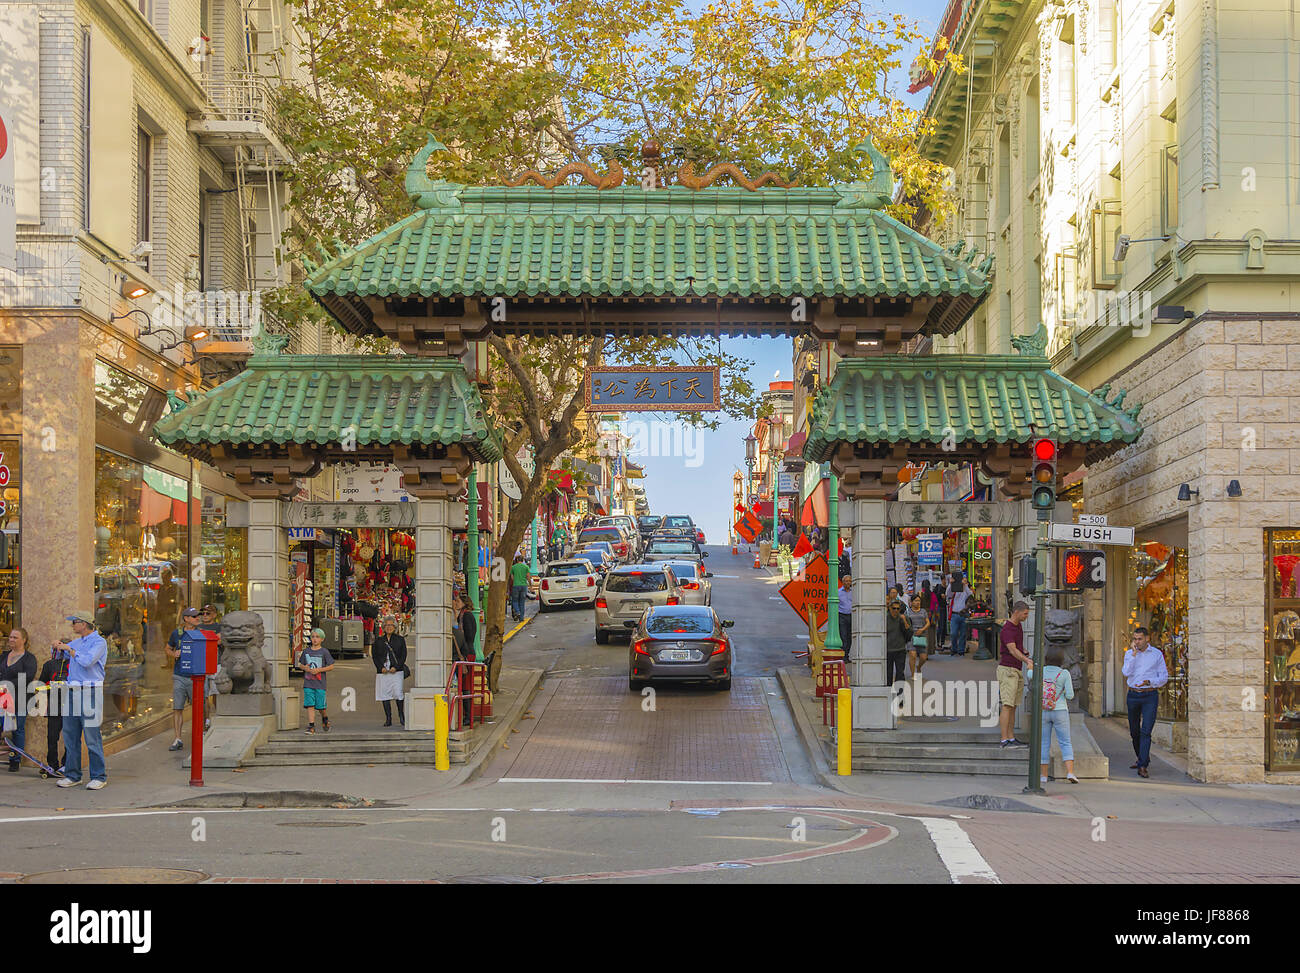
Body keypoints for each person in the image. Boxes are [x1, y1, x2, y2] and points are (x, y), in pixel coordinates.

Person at [55, 611, 108, 789]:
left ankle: (99, 776)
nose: (72, 626)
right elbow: (65, 656)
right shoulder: (76, 643)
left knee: (92, 736)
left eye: (75, 622)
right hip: (73, 690)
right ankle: (73, 774)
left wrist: (68, 649)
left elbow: (87, 661)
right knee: (70, 735)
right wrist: (59, 647)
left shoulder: (99, 642)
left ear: (84, 624)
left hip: (90, 691)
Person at [1123, 626, 1168, 778]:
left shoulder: (1156, 654)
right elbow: (1126, 672)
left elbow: (1163, 677)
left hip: (1149, 695)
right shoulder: (1129, 654)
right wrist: (1134, 655)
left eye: (1140, 639)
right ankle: (1142, 757)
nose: (1137, 642)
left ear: (1147, 638)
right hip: (1133, 695)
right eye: (1135, 639)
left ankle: (1143, 765)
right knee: (1134, 731)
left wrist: (1150, 681)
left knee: (1146, 731)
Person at [166, 608, 204, 752]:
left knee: (199, 707)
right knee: (178, 708)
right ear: (186, 618)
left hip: (196, 676)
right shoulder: (177, 633)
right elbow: (168, 648)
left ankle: (200, 735)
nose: (198, 618)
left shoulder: (201, 633)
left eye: (198, 616)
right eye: (194, 616)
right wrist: (173, 653)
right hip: (180, 675)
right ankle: (177, 738)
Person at [0, 628, 38, 773]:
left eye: (15, 637)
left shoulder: (29, 658)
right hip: (2, 698)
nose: (11, 640)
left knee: (17, 729)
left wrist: (7, 684)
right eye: (10, 637)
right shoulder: (4, 656)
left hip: (20, 699)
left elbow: (27, 677)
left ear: (24, 640)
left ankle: (15, 760)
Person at [1039, 647, 1078, 785]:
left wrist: (1031, 665)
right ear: (1061, 659)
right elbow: (1070, 695)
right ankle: (1070, 773)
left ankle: (1043, 776)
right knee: (1065, 742)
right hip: (1060, 710)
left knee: (1044, 743)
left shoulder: (1041, 671)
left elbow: (1031, 675)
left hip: (1044, 711)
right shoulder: (1064, 673)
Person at [996, 601, 1032, 749]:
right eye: (1025, 614)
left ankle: (1011, 737)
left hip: (1015, 669)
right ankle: (1004, 739)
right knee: (1007, 705)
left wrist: (1023, 650)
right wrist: (1026, 660)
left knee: (1013, 706)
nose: (1026, 616)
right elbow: (1011, 649)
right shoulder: (1007, 629)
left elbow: (1016, 646)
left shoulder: (1018, 627)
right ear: (1017, 612)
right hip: (1008, 670)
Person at [36, 642, 70, 777]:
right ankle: (52, 765)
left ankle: (67, 764)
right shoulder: (49, 665)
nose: (60, 653)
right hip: (54, 706)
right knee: (52, 737)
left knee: (70, 738)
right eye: (57, 649)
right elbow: (41, 683)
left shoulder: (74, 664)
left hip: (70, 706)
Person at [297, 628, 335, 734]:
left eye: (317, 637)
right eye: (313, 637)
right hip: (308, 683)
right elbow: (300, 664)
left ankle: (325, 718)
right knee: (310, 704)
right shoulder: (306, 651)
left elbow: (331, 666)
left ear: (322, 639)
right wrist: (306, 668)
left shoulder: (324, 652)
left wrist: (319, 670)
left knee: (320, 706)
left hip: (320, 684)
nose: (314, 639)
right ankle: (311, 726)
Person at [372, 616, 407, 727]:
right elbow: (375, 656)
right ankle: (388, 718)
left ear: (395, 627)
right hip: (383, 672)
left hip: (396, 671)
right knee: (384, 695)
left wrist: (396, 667)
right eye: (387, 625)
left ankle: (401, 716)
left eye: (391, 625)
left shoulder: (400, 640)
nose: (389, 627)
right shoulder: (378, 641)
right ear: (383, 627)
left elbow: (403, 655)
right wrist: (380, 667)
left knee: (398, 693)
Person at [906, 595, 931, 680]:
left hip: (922, 635)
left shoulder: (923, 611)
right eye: (916, 601)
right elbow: (905, 623)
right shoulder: (908, 612)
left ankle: (919, 667)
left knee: (923, 657)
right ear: (911, 602)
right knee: (912, 655)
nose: (917, 602)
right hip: (912, 635)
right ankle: (913, 674)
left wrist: (922, 629)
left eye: (919, 601)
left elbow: (928, 622)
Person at [886, 600, 910, 685]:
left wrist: (905, 622)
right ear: (889, 608)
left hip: (900, 649)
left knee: (900, 673)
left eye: (898, 609)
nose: (896, 610)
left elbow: (909, 634)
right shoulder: (886, 618)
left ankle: (899, 693)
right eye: (894, 608)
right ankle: (888, 692)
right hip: (888, 650)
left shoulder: (903, 618)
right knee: (888, 673)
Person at [947, 574, 971, 656]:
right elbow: (948, 594)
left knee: (963, 634)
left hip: (964, 614)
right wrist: (951, 584)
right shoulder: (953, 588)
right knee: (953, 634)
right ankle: (954, 649)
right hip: (954, 614)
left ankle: (961, 650)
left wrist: (965, 585)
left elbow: (970, 595)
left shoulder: (965, 589)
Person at [836, 573, 852, 662]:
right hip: (842, 616)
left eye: (849, 581)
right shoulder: (838, 592)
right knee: (843, 636)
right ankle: (843, 655)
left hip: (851, 616)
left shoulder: (853, 592)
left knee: (850, 636)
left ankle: (847, 655)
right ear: (842, 582)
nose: (848, 583)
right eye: (846, 581)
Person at [509, 555, 529, 622]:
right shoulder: (526, 567)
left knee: (514, 601)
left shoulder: (513, 567)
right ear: (522, 560)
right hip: (524, 586)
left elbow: (512, 577)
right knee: (522, 602)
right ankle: (521, 618)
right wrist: (531, 586)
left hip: (516, 585)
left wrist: (515, 580)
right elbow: (528, 577)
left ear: (517, 560)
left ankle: (517, 612)